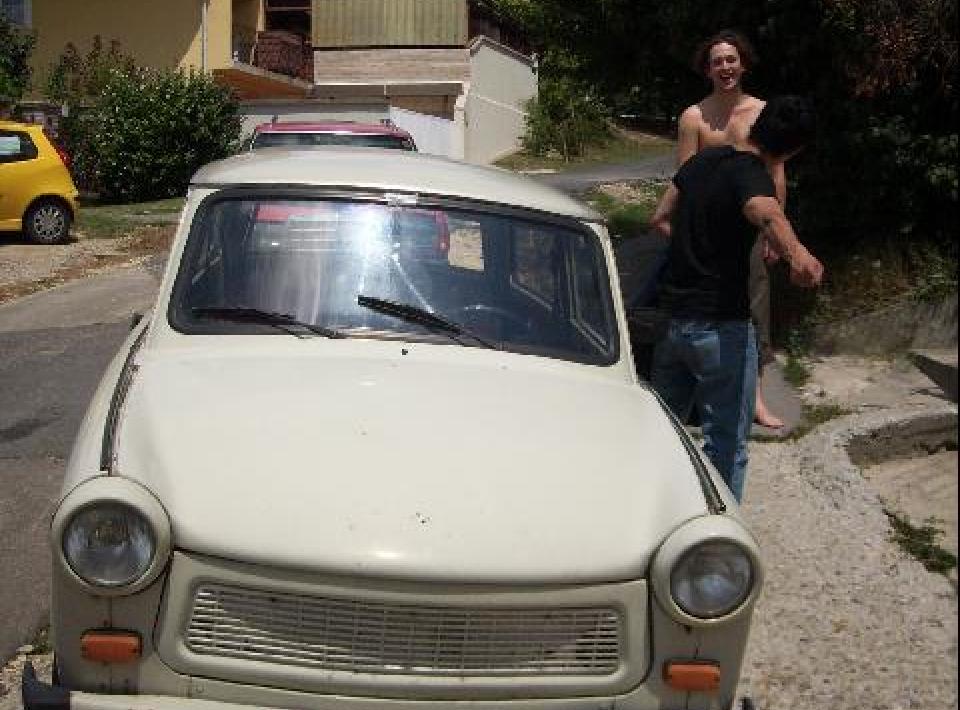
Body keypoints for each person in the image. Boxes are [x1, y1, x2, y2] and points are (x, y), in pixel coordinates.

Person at [649, 96, 823, 502]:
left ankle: (660, 514)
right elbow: (765, 212)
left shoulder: (698, 164)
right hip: (720, 326)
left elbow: (658, 218)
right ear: (794, 150)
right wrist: (798, 255)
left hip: (672, 322)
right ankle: (716, 540)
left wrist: (692, 248)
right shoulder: (752, 176)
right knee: (725, 443)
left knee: (663, 433)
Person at [677, 29, 786, 428]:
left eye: (731, 59)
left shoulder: (762, 112)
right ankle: (704, 393)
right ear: (706, 69)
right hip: (707, 234)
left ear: (743, 63)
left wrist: (778, 233)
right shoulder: (694, 116)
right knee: (705, 309)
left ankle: (755, 398)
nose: (725, 67)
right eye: (717, 61)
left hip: (752, 228)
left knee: (755, 310)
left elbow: (776, 172)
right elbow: (684, 180)